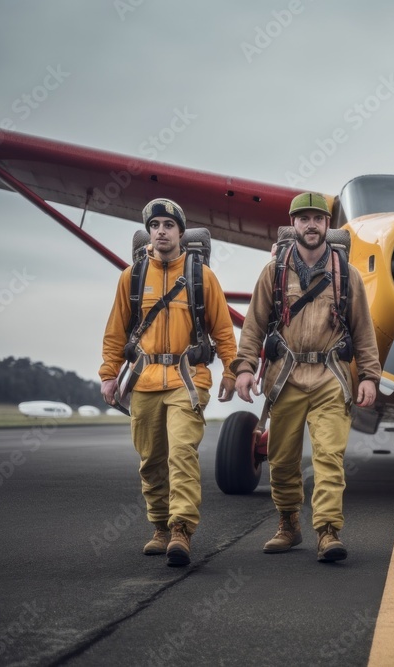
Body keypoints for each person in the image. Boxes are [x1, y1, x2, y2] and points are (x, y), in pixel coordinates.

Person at [234, 192, 381, 563]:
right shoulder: (273, 272)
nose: (311, 225)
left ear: (327, 225)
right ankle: (288, 523)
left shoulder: (348, 275)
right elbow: (253, 325)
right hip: (285, 376)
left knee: (329, 457)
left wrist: (369, 376)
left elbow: (364, 331)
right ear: (293, 224)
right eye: (304, 219)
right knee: (282, 459)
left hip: (331, 376)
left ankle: (328, 531)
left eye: (318, 219)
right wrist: (245, 368)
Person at [100, 198, 238, 567]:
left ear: (180, 232)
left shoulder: (202, 277)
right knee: (150, 461)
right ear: (149, 232)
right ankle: (160, 527)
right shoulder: (130, 278)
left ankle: (181, 530)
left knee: (181, 453)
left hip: (188, 380)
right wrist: (109, 375)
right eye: (155, 225)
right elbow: (115, 333)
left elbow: (224, 331)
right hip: (143, 381)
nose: (161, 231)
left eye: (168, 225)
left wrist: (231, 370)